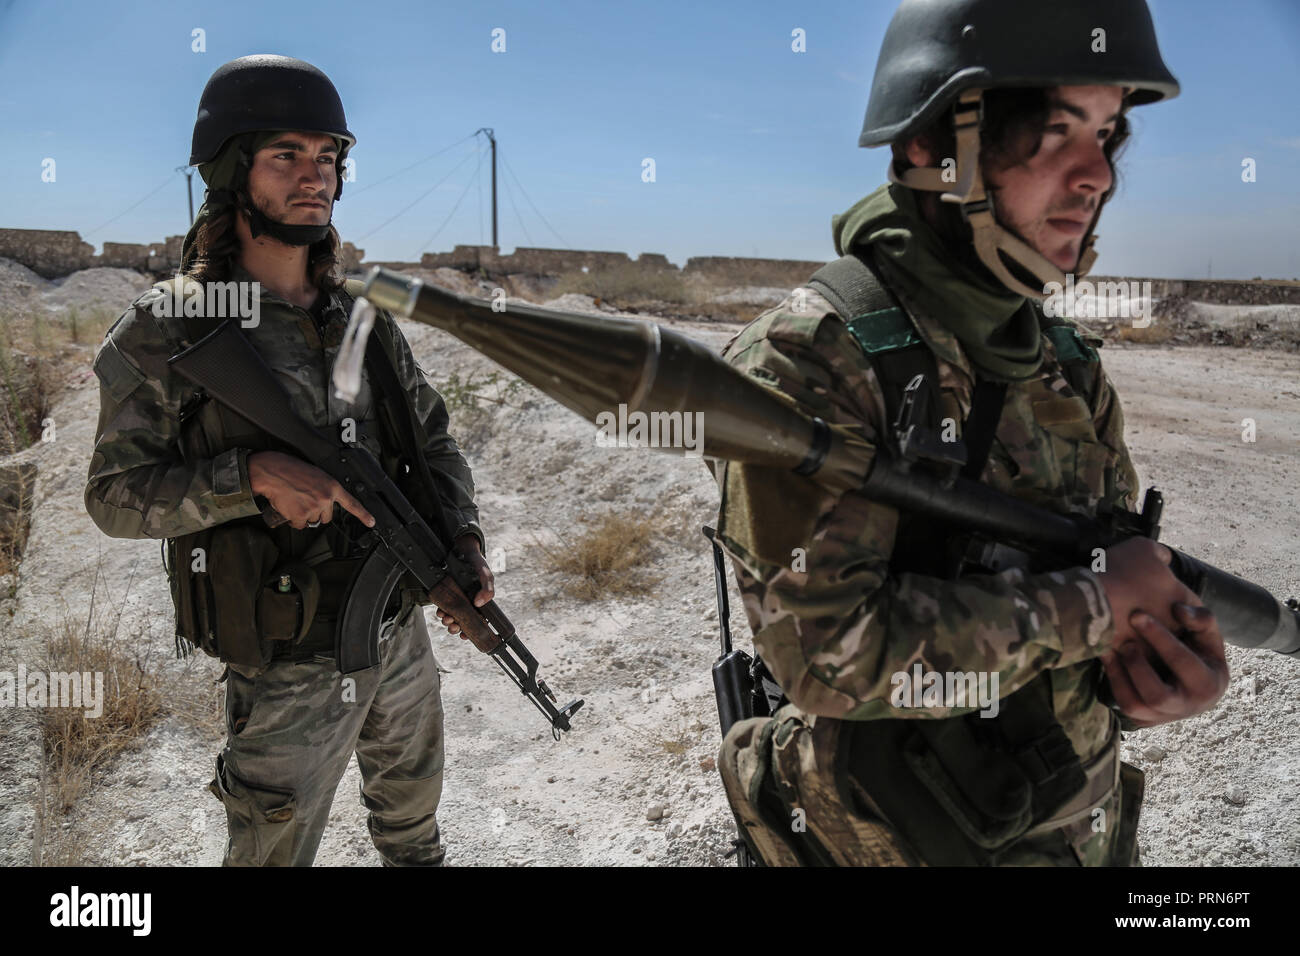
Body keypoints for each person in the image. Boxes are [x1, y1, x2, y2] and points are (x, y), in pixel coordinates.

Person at [711, 0, 1229, 866]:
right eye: (1056, 130)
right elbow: (828, 658)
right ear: (929, 144)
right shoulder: (811, 360)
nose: (1097, 173)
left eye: (1108, 134)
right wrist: (1097, 607)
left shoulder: (1063, 361)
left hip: (1074, 831)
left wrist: (1154, 670)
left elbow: (1104, 587)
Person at [85, 54, 493, 866]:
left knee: (415, 833)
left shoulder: (360, 319)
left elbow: (435, 441)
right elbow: (114, 496)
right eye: (288, 156)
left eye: (329, 158)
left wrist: (466, 544)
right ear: (235, 170)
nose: (316, 177)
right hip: (287, 656)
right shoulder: (170, 329)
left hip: (396, 630)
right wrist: (251, 479)